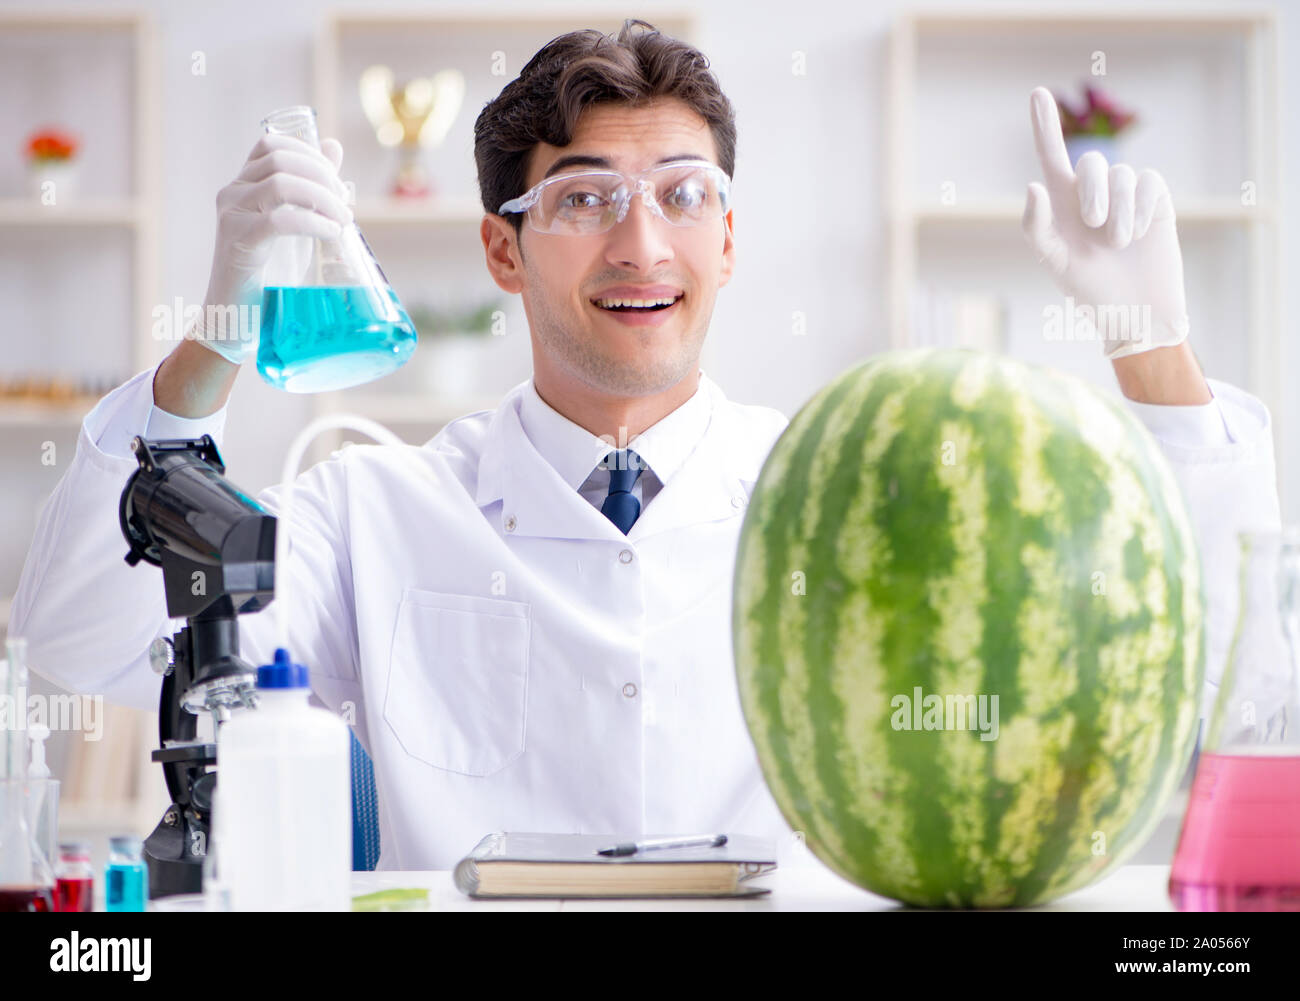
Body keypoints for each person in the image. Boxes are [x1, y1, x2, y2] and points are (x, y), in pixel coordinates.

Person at [9, 20, 1280, 870]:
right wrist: (214, 340)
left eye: (685, 194)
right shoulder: (373, 507)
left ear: (730, 239)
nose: (641, 246)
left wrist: (1149, 344)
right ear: (502, 249)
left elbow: (1216, 675)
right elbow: (83, 637)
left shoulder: (853, 494)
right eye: (583, 198)